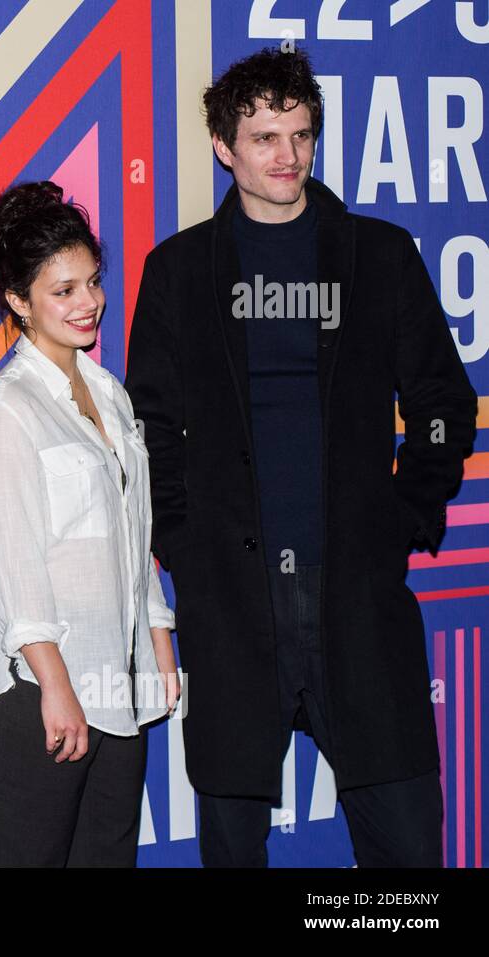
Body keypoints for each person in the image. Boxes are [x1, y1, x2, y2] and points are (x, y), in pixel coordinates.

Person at [125, 47, 477, 867]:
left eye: (301, 134)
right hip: (235, 604)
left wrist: (403, 517)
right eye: (264, 137)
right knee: (234, 847)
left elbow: (443, 403)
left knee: (408, 856)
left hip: (357, 591)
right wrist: (183, 544)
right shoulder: (178, 272)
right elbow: (149, 427)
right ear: (224, 148)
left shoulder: (380, 257)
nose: (287, 155)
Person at [0, 182, 178, 867]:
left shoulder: (109, 392)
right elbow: (10, 564)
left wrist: (160, 646)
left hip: (118, 682)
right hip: (36, 690)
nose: (88, 303)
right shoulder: (6, 409)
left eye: (92, 282)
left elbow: (130, 539)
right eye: (63, 291)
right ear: (19, 303)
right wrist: (56, 686)